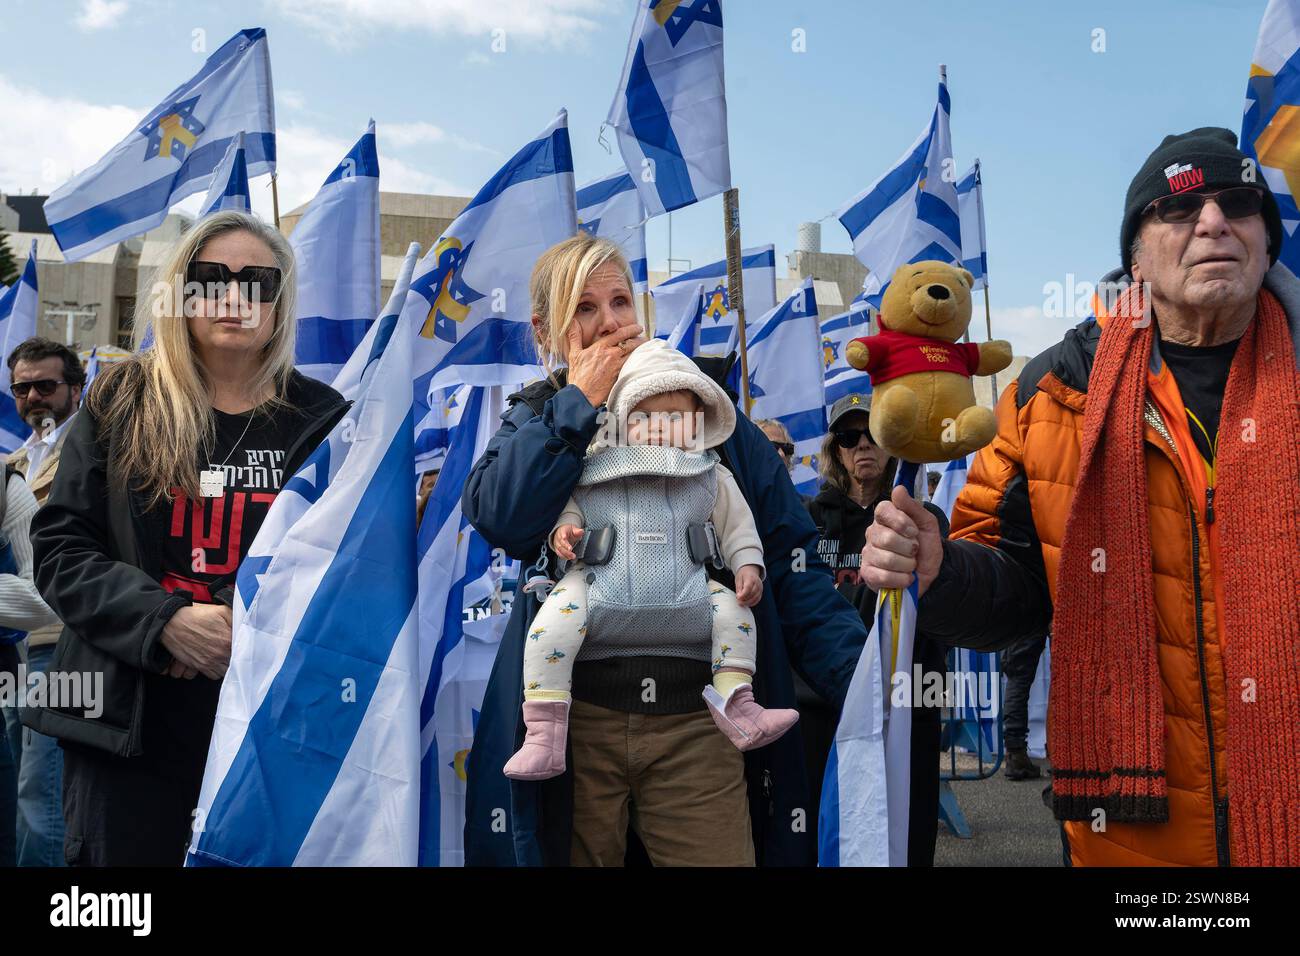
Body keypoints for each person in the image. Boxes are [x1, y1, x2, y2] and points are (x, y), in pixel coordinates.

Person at [861, 128, 1300, 866]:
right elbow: (1015, 591)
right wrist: (940, 570)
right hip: (1130, 840)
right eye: (1180, 207)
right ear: (1136, 253)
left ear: (1266, 237)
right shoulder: (1052, 391)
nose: (1214, 222)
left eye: (1239, 204)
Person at [461, 233, 867, 866]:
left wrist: (862, 682)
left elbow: (792, 559)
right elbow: (502, 517)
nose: (608, 324)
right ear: (547, 332)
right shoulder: (541, 415)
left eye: (620, 301)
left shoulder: (707, 412)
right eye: (583, 309)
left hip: (697, 725)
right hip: (579, 728)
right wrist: (578, 404)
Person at [25, 210, 347, 866]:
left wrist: (230, 622)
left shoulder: (323, 418)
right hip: (125, 725)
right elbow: (62, 549)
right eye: (211, 278)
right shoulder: (121, 400)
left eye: (257, 280)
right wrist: (166, 621)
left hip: (265, 725)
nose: (235, 296)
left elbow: (338, 563)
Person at [504, 340, 797, 782]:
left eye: (676, 417)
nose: (660, 427)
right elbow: (568, 507)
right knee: (548, 628)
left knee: (735, 614)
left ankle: (739, 703)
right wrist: (563, 531)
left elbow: (738, 526)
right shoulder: (591, 465)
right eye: (646, 417)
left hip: (691, 591)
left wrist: (747, 566)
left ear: (698, 424)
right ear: (621, 419)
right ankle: (543, 733)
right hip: (596, 587)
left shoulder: (711, 472)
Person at [805, 393, 948, 865]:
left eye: (874, 435)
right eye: (849, 437)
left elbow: (942, 607)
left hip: (902, 705)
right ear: (836, 450)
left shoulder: (920, 520)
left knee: (904, 838)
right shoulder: (807, 522)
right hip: (825, 705)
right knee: (831, 836)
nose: (862, 445)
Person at [4, 337, 84, 865]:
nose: (35, 396)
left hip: (71, 644)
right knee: (23, 790)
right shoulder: (15, 463)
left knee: (44, 795)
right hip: (22, 649)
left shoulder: (100, 449)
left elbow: (56, 585)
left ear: (76, 389)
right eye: (22, 387)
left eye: (47, 385)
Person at [0, 466, 60, 867]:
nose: (31, 397)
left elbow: (42, 592)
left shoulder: (6, 483)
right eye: (18, 394)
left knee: (31, 807)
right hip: (25, 665)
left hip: (46, 656)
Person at [1000, 631, 1048, 780]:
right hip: (1033, 615)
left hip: (1018, 618)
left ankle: (1015, 752)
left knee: (1017, 678)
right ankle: (1016, 754)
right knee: (1018, 677)